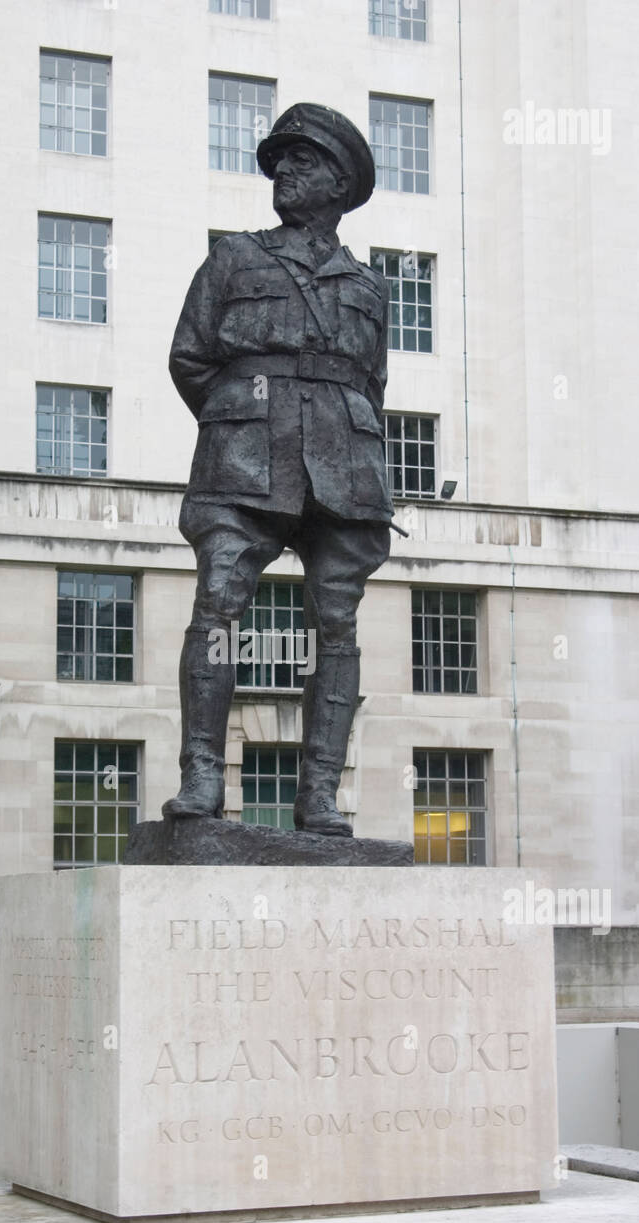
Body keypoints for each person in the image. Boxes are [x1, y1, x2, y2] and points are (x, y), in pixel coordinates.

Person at [164, 102, 393, 837]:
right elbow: (190, 359)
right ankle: (201, 776)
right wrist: (244, 413)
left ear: (338, 182)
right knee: (219, 604)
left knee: (338, 626)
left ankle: (320, 794)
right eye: (279, 161)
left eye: (301, 161)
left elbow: (373, 386)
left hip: (345, 468)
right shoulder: (235, 257)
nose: (283, 172)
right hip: (244, 457)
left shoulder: (368, 285)